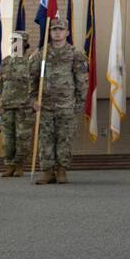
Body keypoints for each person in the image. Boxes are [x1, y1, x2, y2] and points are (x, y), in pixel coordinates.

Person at [34, 16, 88, 185]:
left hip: (66, 105)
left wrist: (78, 103)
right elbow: (33, 77)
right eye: (54, 30)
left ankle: (62, 170)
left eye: (60, 30)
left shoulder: (75, 55)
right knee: (46, 138)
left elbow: (82, 81)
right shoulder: (41, 54)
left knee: (64, 138)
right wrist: (32, 99)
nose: (57, 33)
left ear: (67, 32)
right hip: (45, 105)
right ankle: (47, 171)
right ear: (49, 32)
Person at [0, 30, 36, 177]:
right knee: (8, 138)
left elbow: (36, 84)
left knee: (22, 138)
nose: (15, 44)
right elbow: (0, 84)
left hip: (24, 106)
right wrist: (0, 102)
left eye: (18, 41)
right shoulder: (6, 62)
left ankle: (20, 165)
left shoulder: (31, 61)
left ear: (25, 43)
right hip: (6, 105)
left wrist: (34, 101)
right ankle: (9, 164)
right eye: (13, 41)